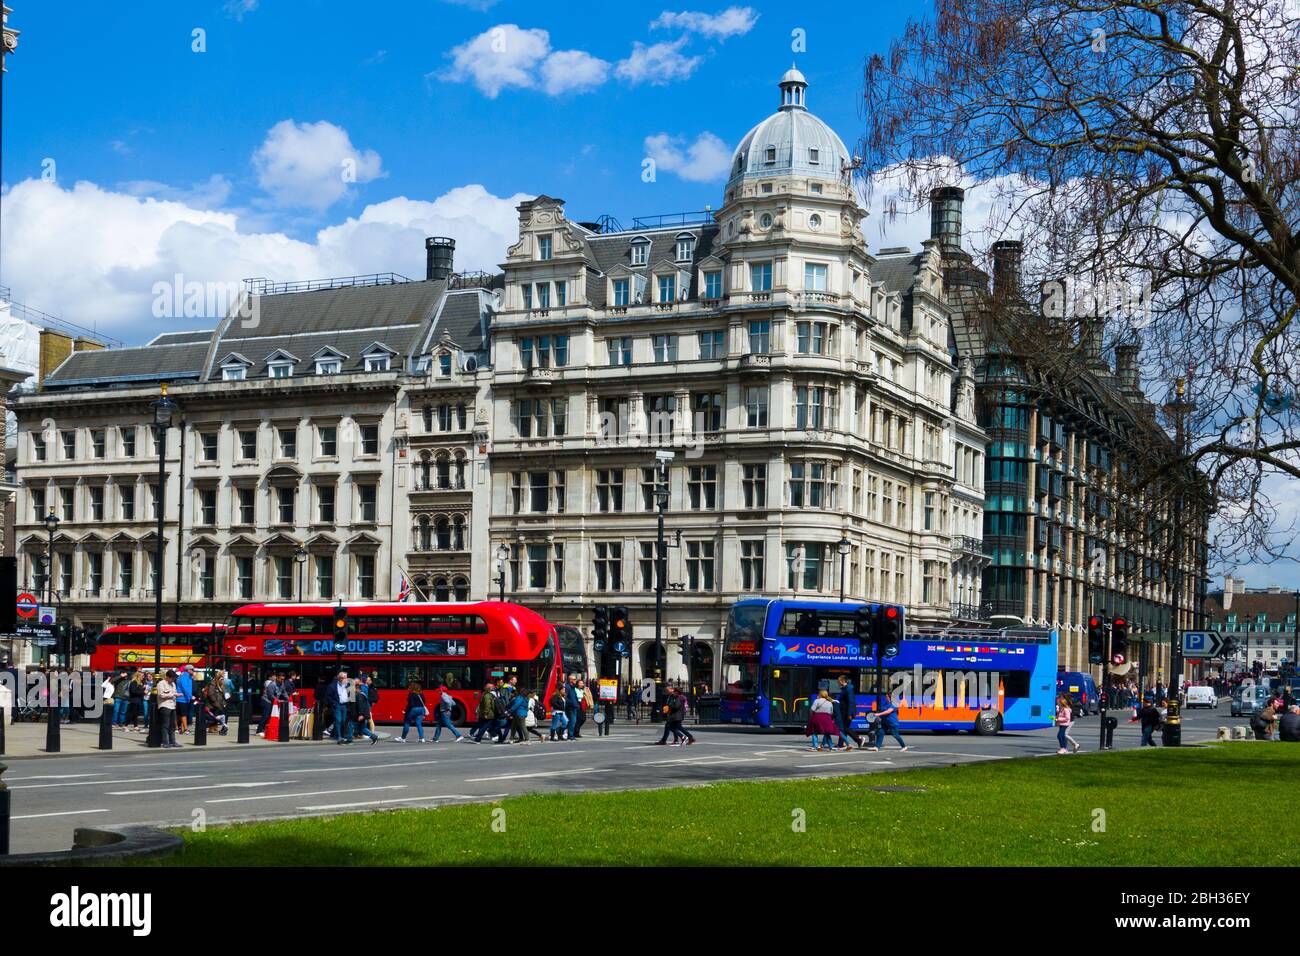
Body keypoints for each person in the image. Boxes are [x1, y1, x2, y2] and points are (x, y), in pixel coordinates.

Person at [834, 674, 864, 750]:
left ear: (842, 681)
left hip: (847, 712)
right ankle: (841, 744)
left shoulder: (849, 689)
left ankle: (859, 739)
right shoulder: (845, 688)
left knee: (844, 727)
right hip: (844, 712)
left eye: (838, 681)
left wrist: (850, 714)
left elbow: (851, 701)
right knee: (843, 727)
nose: (838, 683)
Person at [324, 670, 353, 745]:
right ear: (340, 678)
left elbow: (351, 696)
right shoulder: (332, 686)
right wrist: (333, 704)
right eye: (344, 678)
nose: (346, 679)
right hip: (337, 705)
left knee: (343, 721)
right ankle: (339, 736)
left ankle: (339, 735)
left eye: (346, 677)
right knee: (338, 720)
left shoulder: (348, 685)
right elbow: (328, 696)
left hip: (345, 705)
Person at [156, 669, 179, 748]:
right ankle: (165, 742)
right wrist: (173, 695)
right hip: (164, 706)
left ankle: (173, 741)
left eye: (174, 678)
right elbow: (161, 695)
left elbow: (174, 692)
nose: (173, 679)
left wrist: (175, 694)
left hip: (172, 706)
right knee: (165, 725)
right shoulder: (161, 684)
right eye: (172, 678)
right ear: (167, 677)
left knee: (173, 725)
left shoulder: (173, 684)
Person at [351, 677, 378, 745]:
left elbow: (361, 706)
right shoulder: (361, 693)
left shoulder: (359, 695)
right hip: (363, 714)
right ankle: (374, 737)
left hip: (362, 715)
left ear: (357, 688)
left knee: (352, 726)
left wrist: (361, 714)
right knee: (362, 729)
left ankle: (348, 739)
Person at [205, 671, 228, 735]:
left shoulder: (221, 685)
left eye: (223, 679)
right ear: (218, 678)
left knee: (217, 716)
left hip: (218, 704)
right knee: (213, 717)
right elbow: (211, 694)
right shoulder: (212, 684)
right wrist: (216, 703)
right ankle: (211, 728)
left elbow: (222, 695)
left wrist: (224, 703)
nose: (223, 680)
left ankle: (214, 728)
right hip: (212, 704)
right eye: (222, 679)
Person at [175, 665, 193, 734]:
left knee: (178, 714)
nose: (193, 671)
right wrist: (190, 696)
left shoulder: (182, 676)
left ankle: (178, 728)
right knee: (183, 714)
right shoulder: (185, 677)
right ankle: (185, 729)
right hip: (183, 699)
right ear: (188, 670)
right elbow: (185, 688)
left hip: (180, 699)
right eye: (192, 669)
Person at [564, 675, 581, 739]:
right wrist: (572, 703)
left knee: (571, 722)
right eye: (574, 679)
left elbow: (575, 697)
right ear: (570, 680)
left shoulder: (573, 687)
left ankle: (568, 734)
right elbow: (566, 698)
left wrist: (577, 704)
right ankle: (570, 735)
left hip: (574, 707)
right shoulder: (567, 687)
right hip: (570, 708)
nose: (575, 681)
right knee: (572, 722)